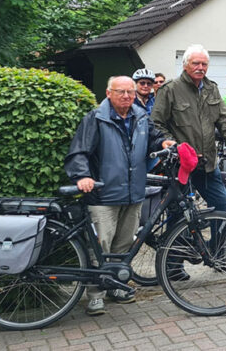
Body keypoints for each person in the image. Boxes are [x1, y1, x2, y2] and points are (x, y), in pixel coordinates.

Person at [65, 76, 172, 315]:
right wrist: (82, 176)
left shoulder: (141, 117)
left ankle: (116, 286)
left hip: (133, 193)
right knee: (100, 247)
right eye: (121, 92)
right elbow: (79, 151)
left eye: (130, 92)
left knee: (124, 245)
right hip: (103, 195)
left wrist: (164, 142)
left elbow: (154, 137)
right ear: (108, 92)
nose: (126, 96)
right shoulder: (96, 118)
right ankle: (95, 295)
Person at [152, 44, 226, 213]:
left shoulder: (211, 89)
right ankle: (175, 240)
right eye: (196, 63)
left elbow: (224, 120)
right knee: (179, 213)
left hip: (207, 164)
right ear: (185, 64)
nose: (200, 68)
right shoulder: (170, 90)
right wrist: (174, 146)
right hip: (181, 164)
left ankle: (216, 241)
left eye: (204, 64)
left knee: (221, 206)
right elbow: (156, 124)